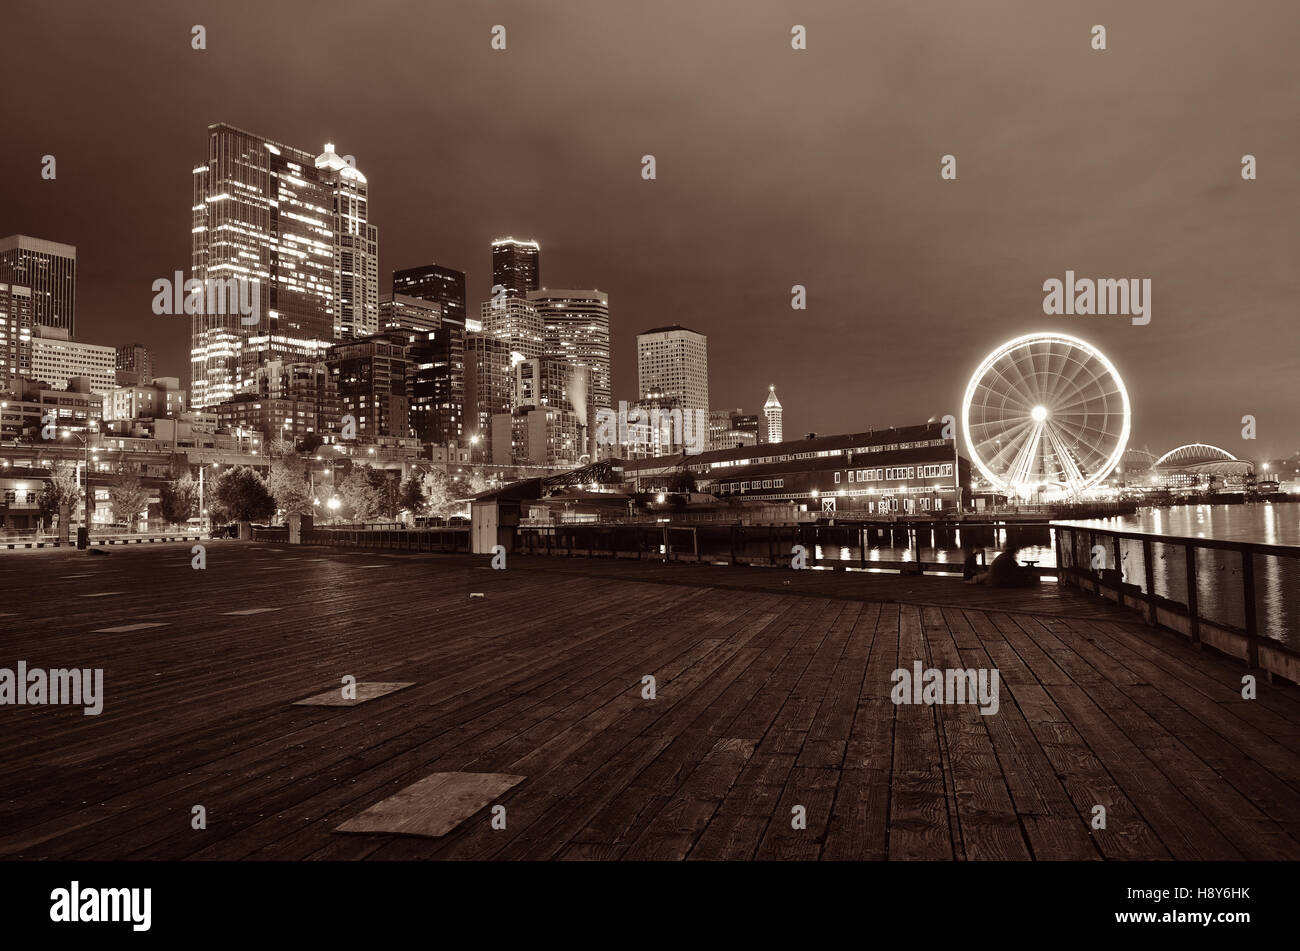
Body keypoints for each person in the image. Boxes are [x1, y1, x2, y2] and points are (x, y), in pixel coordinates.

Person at [966, 544, 1039, 587]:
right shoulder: (1007, 558)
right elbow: (1014, 568)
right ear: (1012, 553)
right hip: (996, 582)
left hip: (991, 581)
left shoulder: (1002, 556)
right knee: (1021, 580)